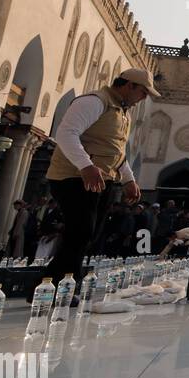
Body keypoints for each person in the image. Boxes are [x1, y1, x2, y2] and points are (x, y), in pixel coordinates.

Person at [44, 68, 158, 288]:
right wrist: (85, 165)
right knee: (80, 232)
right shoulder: (95, 102)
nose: (144, 98)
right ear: (129, 85)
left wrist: (128, 179)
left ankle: (52, 283)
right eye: (143, 92)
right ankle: (61, 285)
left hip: (100, 180)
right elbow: (66, 133)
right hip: (74, 176)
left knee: (89, 234)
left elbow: (116, 151)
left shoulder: (122, 112)